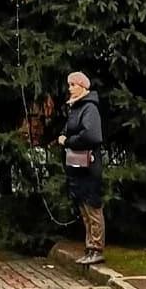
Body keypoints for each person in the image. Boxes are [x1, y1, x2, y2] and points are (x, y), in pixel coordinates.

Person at [58, 70, 105, 265]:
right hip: (77, 164)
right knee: (84, 209)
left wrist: (68, 141)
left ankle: (97, 247)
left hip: (89, 165)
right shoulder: (76, 108)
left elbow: (92, 135)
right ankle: (89, 247)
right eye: (69, 85)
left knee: (92, 207)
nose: (70, 89)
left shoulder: (89, 108)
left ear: (82, 87)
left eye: (73, 85)